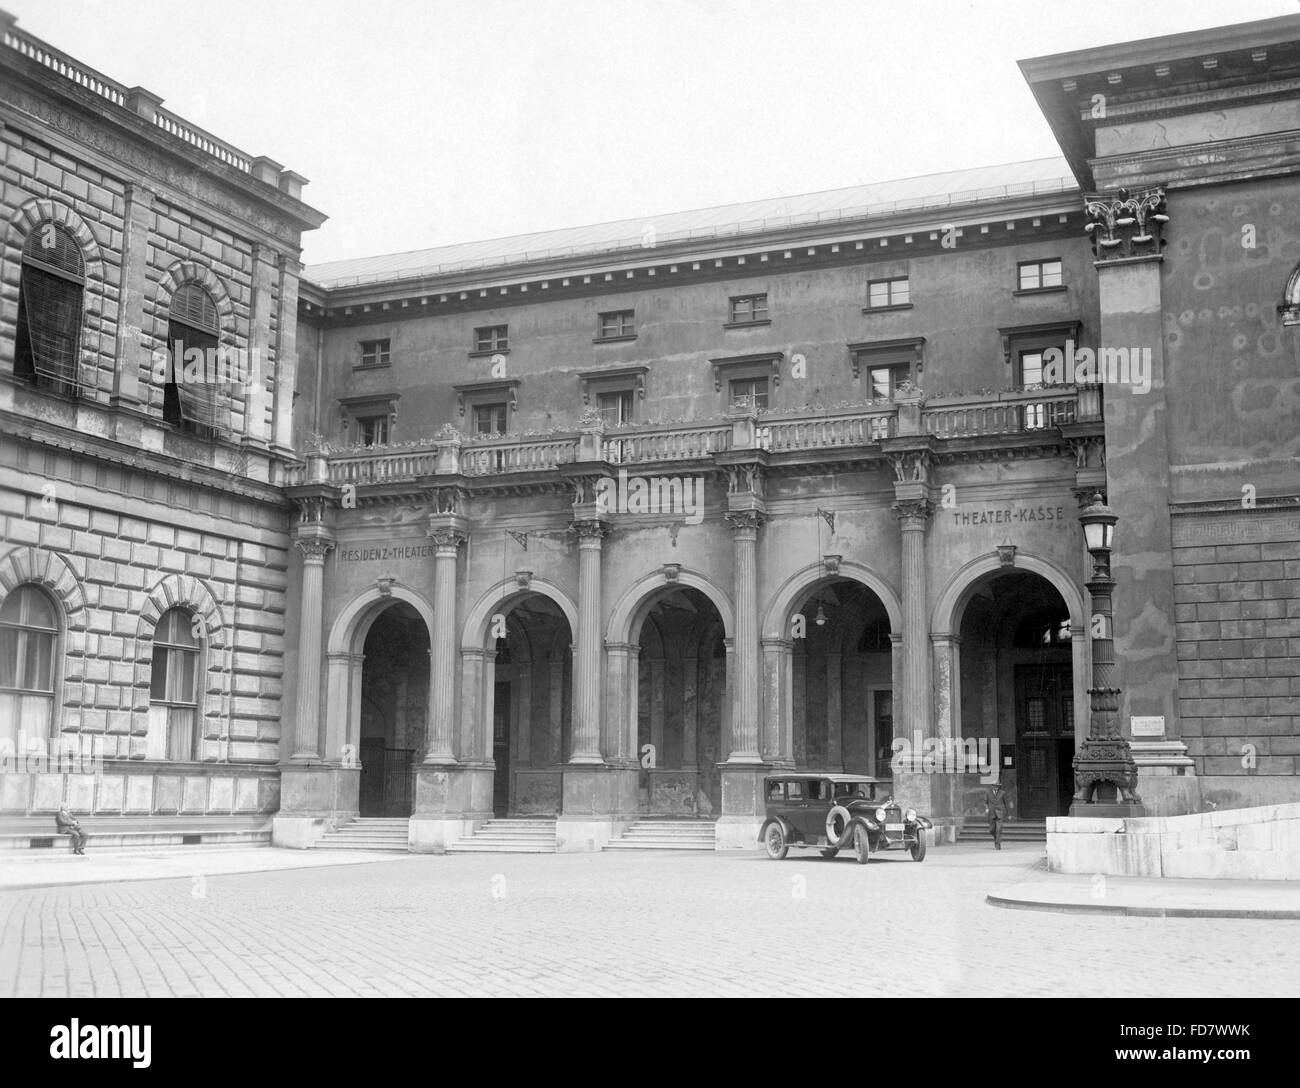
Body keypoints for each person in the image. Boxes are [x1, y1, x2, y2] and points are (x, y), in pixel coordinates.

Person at [986, 780, 1010, 850]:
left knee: (999, 829)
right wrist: (987, 809)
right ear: (992, 786)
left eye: (997, 786)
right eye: (994, 786)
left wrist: (1008, 814)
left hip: (1000, 813)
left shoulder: (1002, 793)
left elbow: (1006, 804)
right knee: (991, 830)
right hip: (991, 813)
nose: (996, 787)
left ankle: (997, 845)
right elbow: (986, 802)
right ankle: (996, 838)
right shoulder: (988, 793)